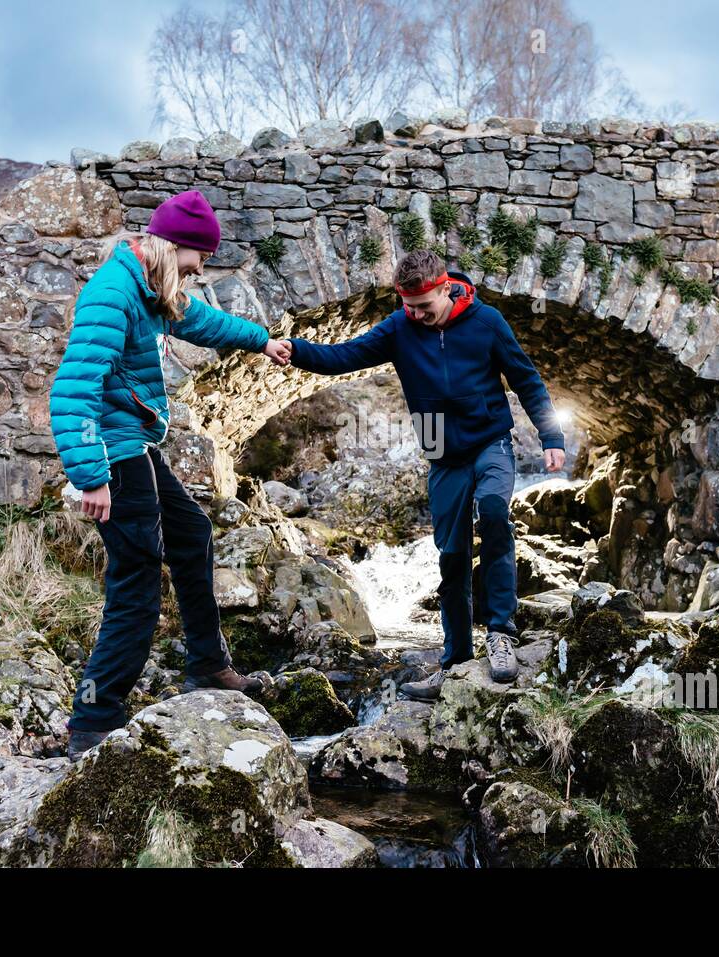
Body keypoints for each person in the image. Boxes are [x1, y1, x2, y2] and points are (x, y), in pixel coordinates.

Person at [50, 190, 293, 760]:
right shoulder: (112, 294)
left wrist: (262, 342)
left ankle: (208, 666)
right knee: (135, 579)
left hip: (134, 443)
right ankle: (93, 717)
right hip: (113, 453)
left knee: (191, 534)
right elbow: (72, 388)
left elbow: (202, 322)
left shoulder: (150, 288)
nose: (201, 269)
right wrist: (91, 475)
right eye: (197, 258)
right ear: (170, 246)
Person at [283, 249, 564, 700]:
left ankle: (501, 634)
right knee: (451, 555)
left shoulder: (487, 322)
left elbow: (527, 380)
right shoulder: (400, 328)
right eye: (408, 307)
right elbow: (343, 357)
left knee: (493, 511)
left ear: (446, 288)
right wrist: (294, 351)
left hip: (490, 438)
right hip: (439, 447)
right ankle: (454, 662)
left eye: (424, 307)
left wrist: (552, 438)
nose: (416, 315)